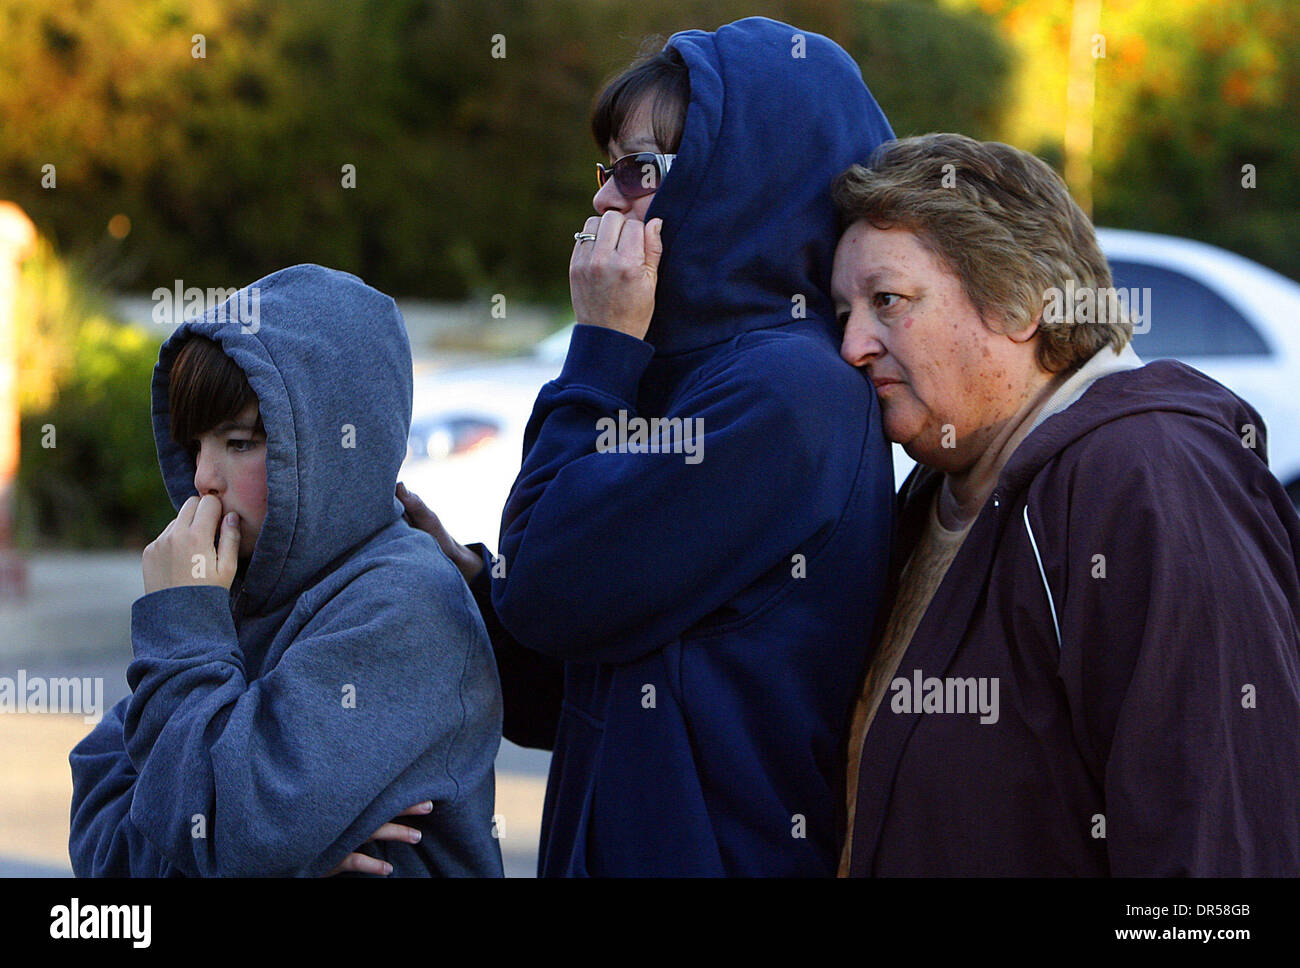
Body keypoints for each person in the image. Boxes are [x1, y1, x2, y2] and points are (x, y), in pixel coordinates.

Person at [399, 17, 896, 876]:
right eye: (607, 171)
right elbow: (569, 684)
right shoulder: (699, 376)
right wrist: (474, 581)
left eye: (640, 172)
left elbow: (555, 587)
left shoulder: (786, 394)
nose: (603, 202)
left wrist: (598, 349)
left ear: (741, 180)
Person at [832, 133, 1300, 875]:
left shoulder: (1149, 476)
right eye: (844, 310)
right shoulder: (941, 486)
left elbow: (1218, 858)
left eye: (888, 301)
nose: (854, 343)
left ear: (1019, 302)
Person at [69, 265, 504, 877]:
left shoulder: (405, 604)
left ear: (328, 443)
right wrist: (277, 859)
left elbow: (216, 827)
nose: (203, 480)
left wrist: (186, 625)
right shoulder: (233, 588)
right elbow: (100, 833)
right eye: (196, 446)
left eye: (240, 442)